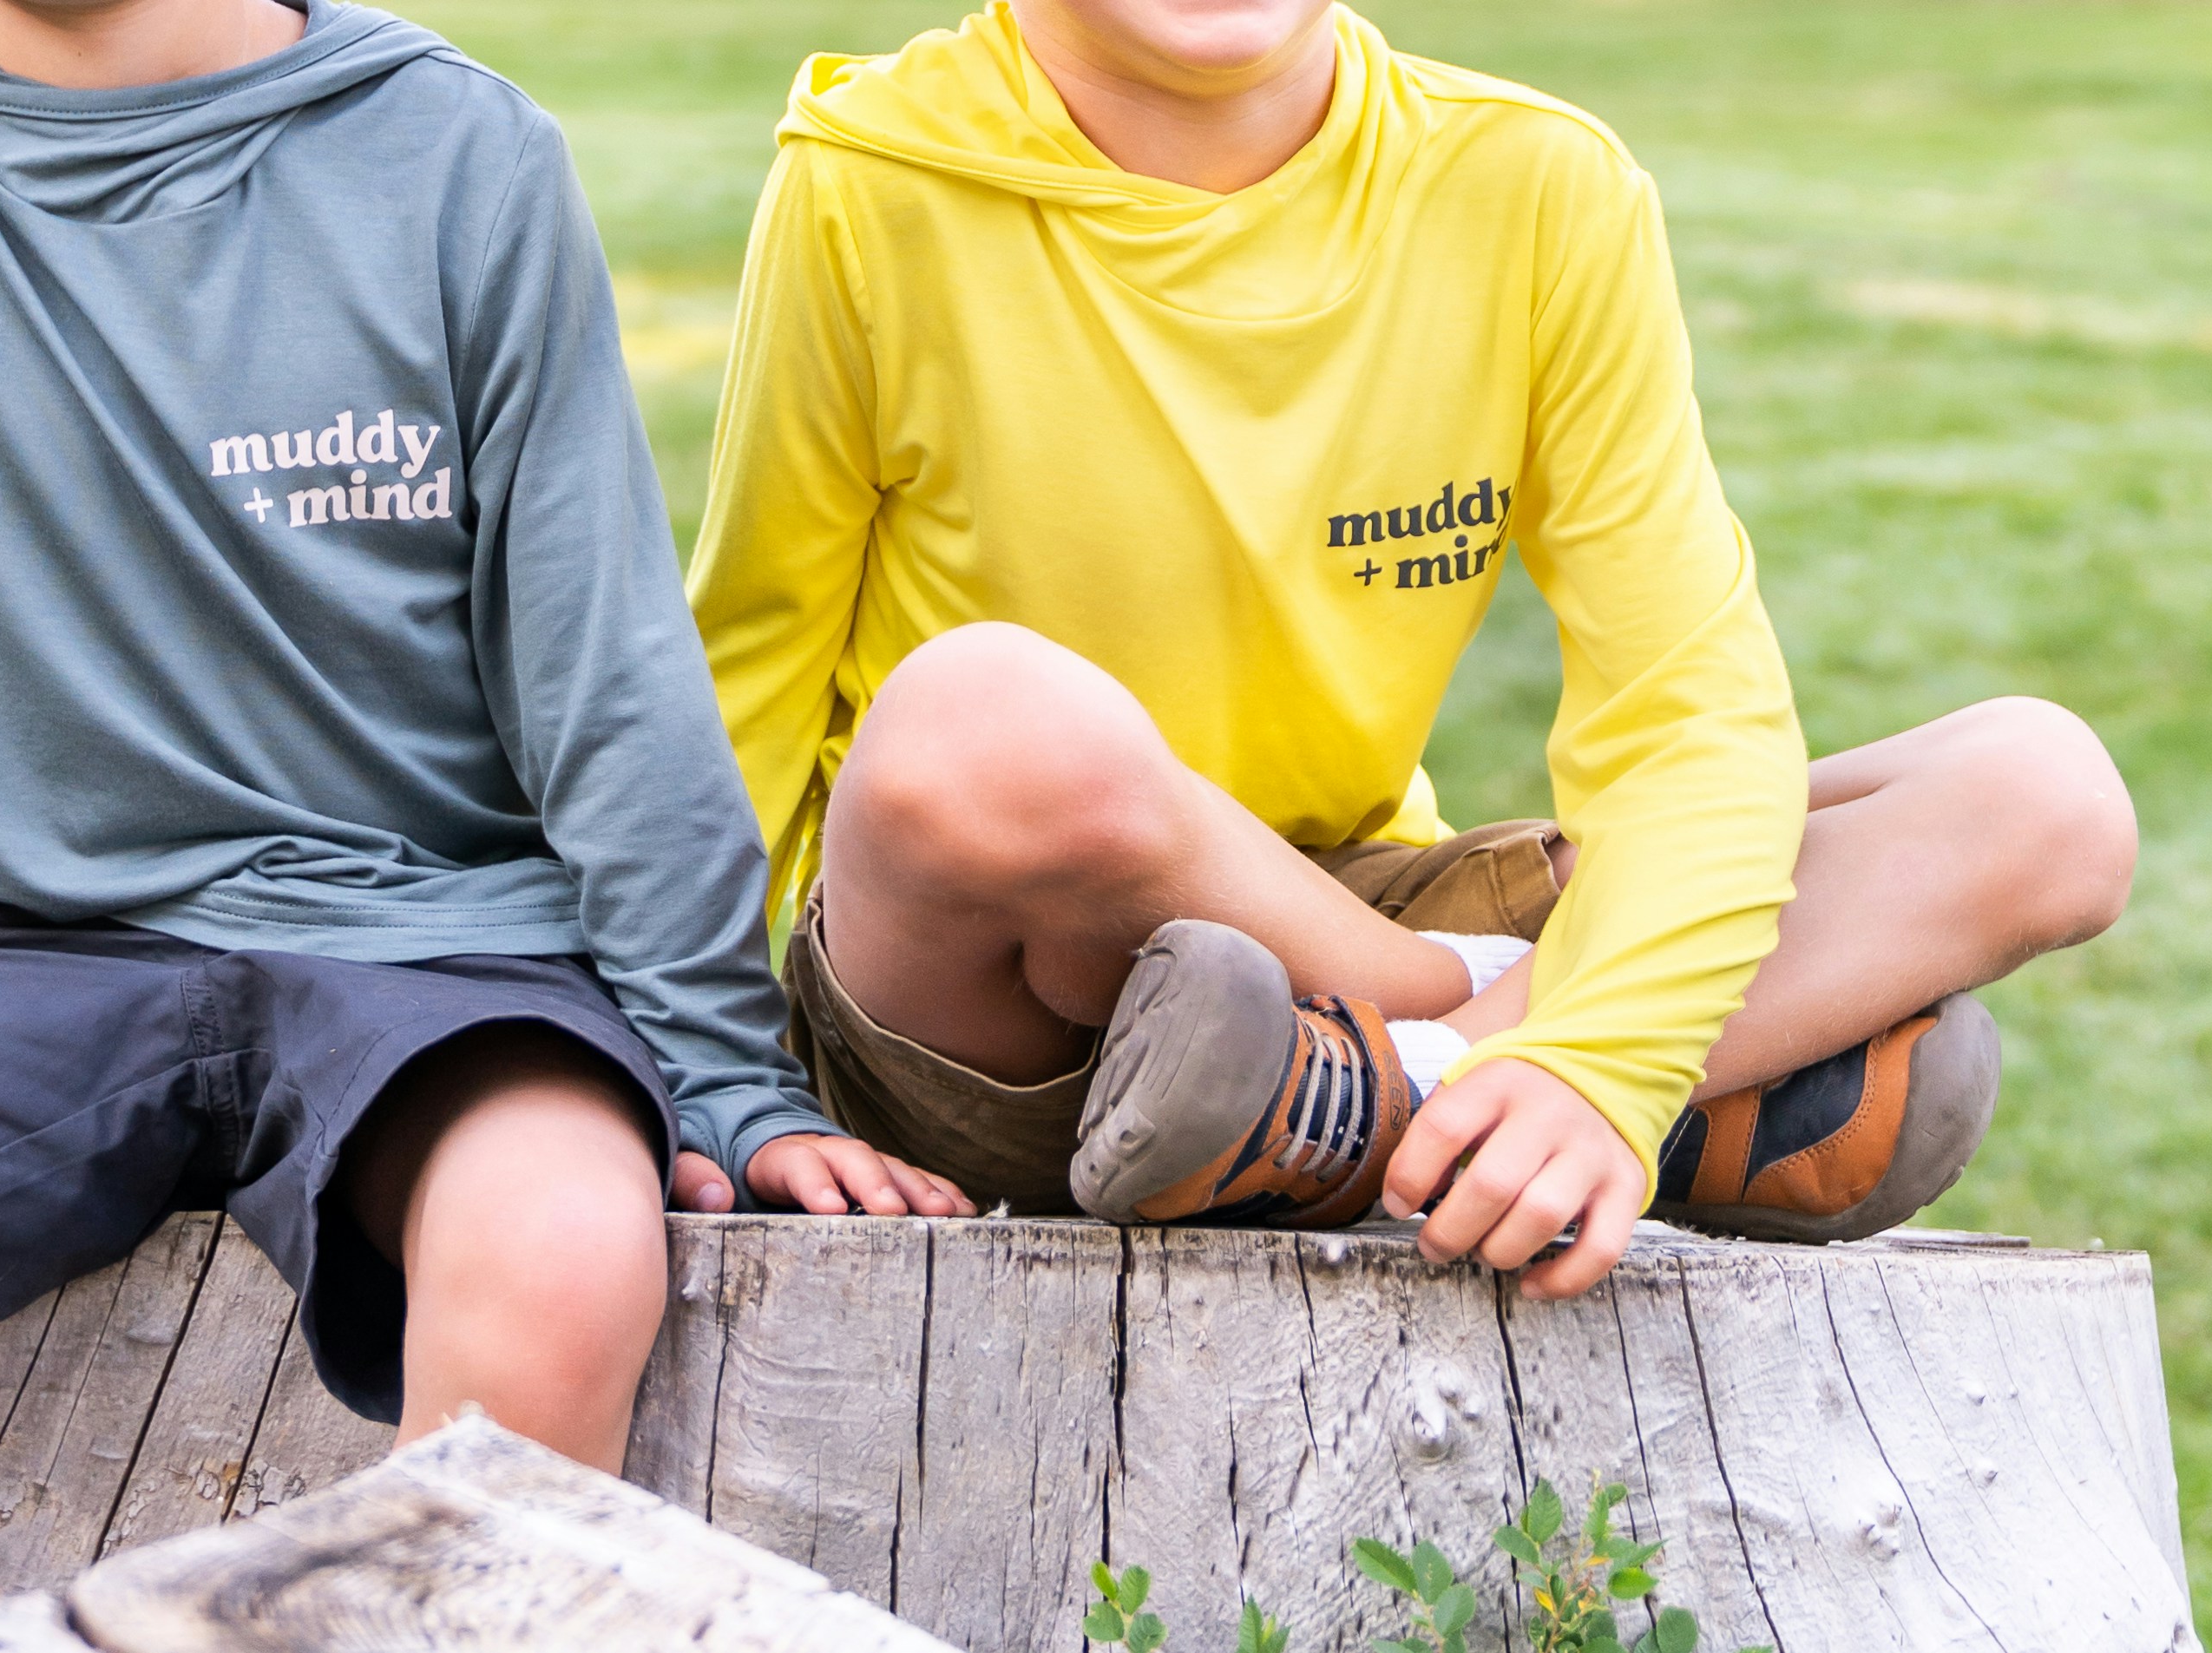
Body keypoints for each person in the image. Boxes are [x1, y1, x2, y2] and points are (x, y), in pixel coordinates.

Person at [0, 0, 968, 1646]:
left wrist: (722, 1067)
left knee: (556, 1256)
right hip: (0, 959)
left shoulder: (457, 150)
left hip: (428, 952)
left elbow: (602, 675)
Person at [678, 0, 2138, 1297]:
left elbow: (1687, 713)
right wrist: (699, 1072)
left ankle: (1378, 1106)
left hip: (1347, 905)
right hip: (994, 985)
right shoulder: (869, 182)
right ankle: (1658, 1078)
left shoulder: (1533, 186)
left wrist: (1600, 1061)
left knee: (2042, 791)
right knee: (984, 719)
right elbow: (745, 662)